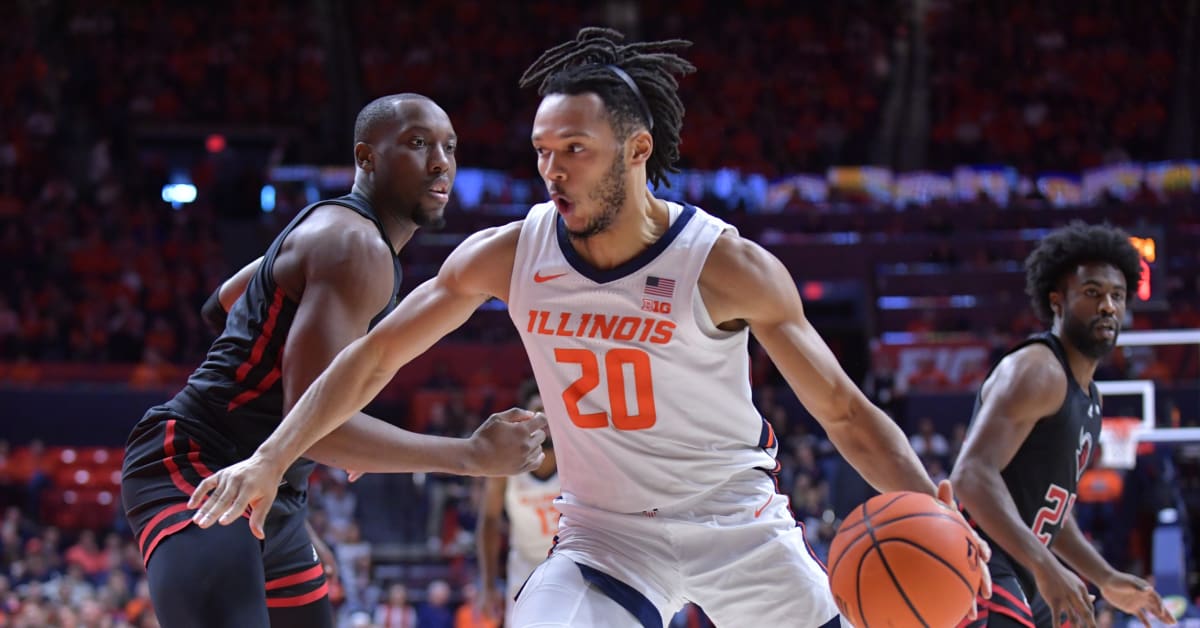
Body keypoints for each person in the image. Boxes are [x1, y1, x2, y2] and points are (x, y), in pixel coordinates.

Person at [190, 28, 989, 627]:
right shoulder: (511, 254)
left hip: (737, 524)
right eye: (543, 150)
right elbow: (373, 358)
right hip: (605, 536)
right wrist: (271, 457)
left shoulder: (724, 265)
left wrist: (934, 509)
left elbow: (844, 411)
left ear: (637, 150)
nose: (553, 168)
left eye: (575, 148)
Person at [120, 93, 548, 628]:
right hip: (198, 462)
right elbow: (319, 431)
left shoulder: (338, 233)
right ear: (366, 157)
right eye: (418, 143)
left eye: (450, 146)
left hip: (270, 486)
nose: (441, 162)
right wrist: (471, 455)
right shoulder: (353, 245)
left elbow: (226, 301)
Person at [952, 222, 1174, 628]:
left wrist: (1105, 577)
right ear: (1057, 301)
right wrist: (1046, 566)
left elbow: (1050, 512)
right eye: (1092, 292)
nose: (1107, 306)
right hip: (978, 560)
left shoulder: (1090, 398)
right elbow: (970, 475)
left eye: (1117, 295)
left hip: (1019, 565)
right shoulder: (1039, 370)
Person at [477, 382, 560, 625]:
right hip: (525, 566)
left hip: (570, 560)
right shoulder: (506, 465)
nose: (545, 419)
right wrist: (488, 584)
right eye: (538, 412)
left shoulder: (576, 462)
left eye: (550, 411)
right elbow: (489, 520)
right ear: (525, 422)